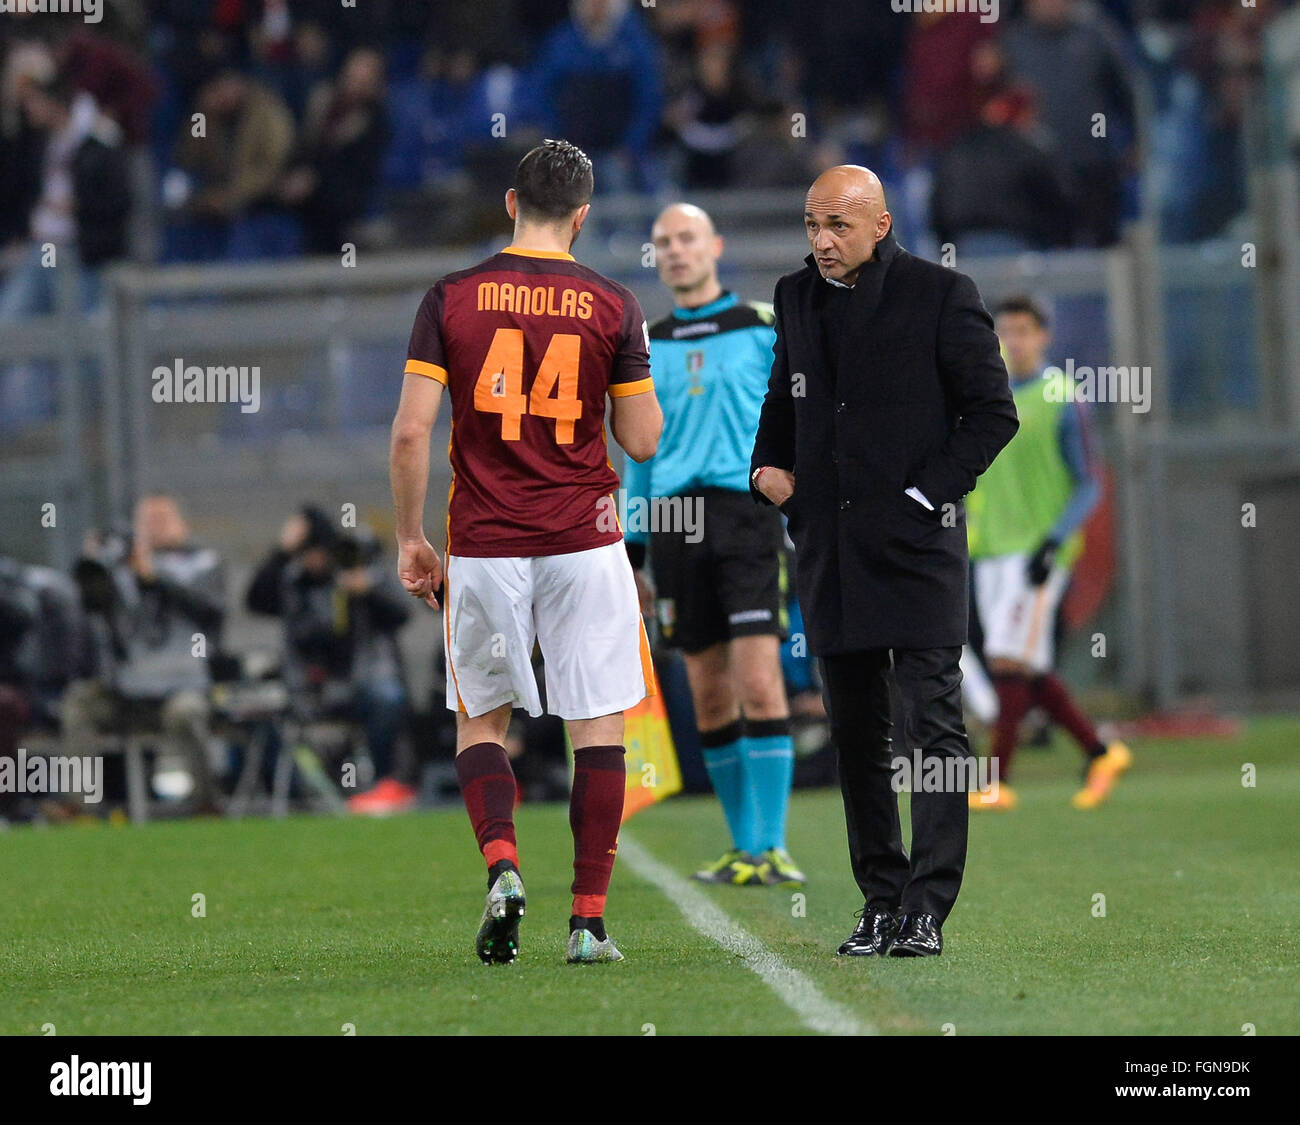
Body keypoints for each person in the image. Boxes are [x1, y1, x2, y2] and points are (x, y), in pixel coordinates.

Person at [390, 139, 662, 965]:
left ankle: (503, 864)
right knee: (599, 723)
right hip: (583, 538)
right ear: (582, 217)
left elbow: (409, 432)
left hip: (485, 539)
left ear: (511, 204)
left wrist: (411, 538)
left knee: (483, 720)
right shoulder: (614, 303)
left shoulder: (451, 296)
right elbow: (643, 440)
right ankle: (587, 920)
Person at [750, 165, 1018, 958]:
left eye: (837, 225)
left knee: (932, 725)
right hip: (828, 550)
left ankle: (929, 904)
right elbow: (780, 400)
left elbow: (991, 414)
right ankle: (880, 897)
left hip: (917, 549)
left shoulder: (942, 294)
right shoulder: (795, 297)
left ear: (882, 224)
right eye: (811, 226)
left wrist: (919, 496)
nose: (821, 242)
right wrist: (769, 472)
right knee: (855, 735)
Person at [625, 202, 803, 888]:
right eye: (663, 241)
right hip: (671, 521)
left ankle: (771, 846)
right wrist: (634, 545)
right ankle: (740, 846)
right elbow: (637, 450)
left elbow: (798, 417)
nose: (674, 250)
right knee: (706, 692)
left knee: (760, 678)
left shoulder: (762, 326)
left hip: (747, 512)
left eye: (686, 238)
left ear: (714, 246)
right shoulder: (645, 341)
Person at [966, 295, 1131, 810]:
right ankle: (1100, 750)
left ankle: (999, 780)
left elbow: (1089, 484)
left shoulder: (1064, 397)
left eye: (1023, 331)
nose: (1013, 341)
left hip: (1037, 551)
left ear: (1043, 337)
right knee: (1023, 667)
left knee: (1009, 660)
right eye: (1005, 331)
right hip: (990, 550)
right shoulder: (981, 398)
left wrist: (1055, 541)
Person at [245, 507, 416, 813]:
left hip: (361, 684)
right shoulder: (293, 583)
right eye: (304, 552)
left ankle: (385, 783)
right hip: (311, 688)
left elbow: (403, 613)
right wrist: (281, 551)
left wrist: (367, 591)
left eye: (318, 551)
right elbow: (256, 600)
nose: (313, 560)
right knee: (263, 714)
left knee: (387, 696)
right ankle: (301, 796)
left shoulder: (359, 571)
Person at [64, 495, 227, 815]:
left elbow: (210, 611)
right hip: (128, 688)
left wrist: (153, 577)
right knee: (79, 704)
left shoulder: (202, 563)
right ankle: (79, 807)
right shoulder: (118, 570)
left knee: (188, 712)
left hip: (179, 686)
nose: (153, 529)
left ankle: (206, 802)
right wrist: (94, 568)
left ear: (182, 524)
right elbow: (92, 614)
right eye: (146, 522)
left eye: (161, 520)